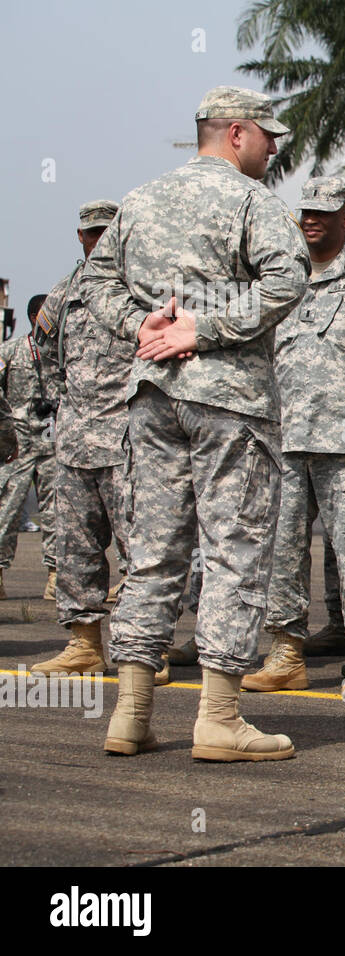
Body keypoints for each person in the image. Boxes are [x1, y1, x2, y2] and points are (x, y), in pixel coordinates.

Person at [81, 85, 308, 761]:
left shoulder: (142, 199)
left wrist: (142, 325)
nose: (274, 148)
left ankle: (132, 715)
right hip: (228, 402)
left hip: (152, 395)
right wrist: (204, 330)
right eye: (269, 135)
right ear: (235, 133)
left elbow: (94, 283)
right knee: (234, 550)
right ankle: (218, 718)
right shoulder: (250, 201)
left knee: (152, 554)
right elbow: (288, 279)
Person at [240, 176, 345, 699]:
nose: (310, 219)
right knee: (281, 549)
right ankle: (286, 652)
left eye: (323, 212)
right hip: (284, 438)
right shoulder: (279, 277)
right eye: (305, 211)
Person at [29, 201, 139, 682]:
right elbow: (44, 355)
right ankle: (83, 643)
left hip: (129, 440)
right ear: (79, 237)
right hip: (75, 443)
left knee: (142, 548)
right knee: (77, 548)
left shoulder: (143, 288)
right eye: (90, 233)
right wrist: (66, 407)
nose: (97, 240)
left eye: (106, 231)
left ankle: (141, 649)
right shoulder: (64, 292)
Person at [0, 300, 59, 600]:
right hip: (19, 445)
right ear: (36, 317)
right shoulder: (10, 351)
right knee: (6, 511)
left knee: (56, 513)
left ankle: (55, 576)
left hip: (53, 444)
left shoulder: (60, 353)